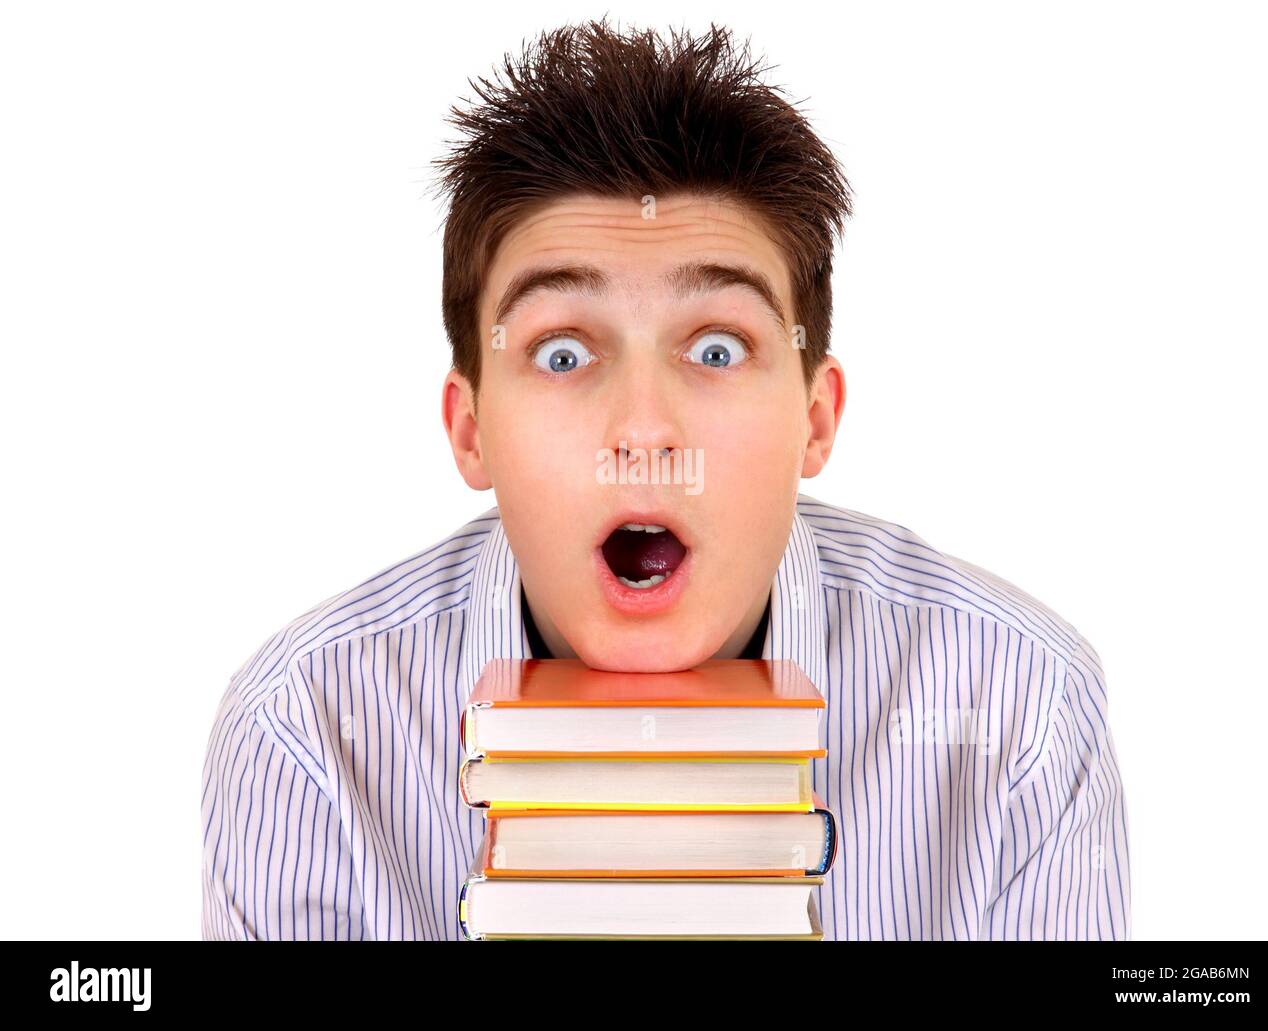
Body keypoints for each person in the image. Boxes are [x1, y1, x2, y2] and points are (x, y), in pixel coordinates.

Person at [201, 18, 1129, 940]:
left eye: (717, 347)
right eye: (563, 353)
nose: (643, 431)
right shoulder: (311, 730)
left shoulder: (1018, 707)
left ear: (815, 417)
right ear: (471, 427)